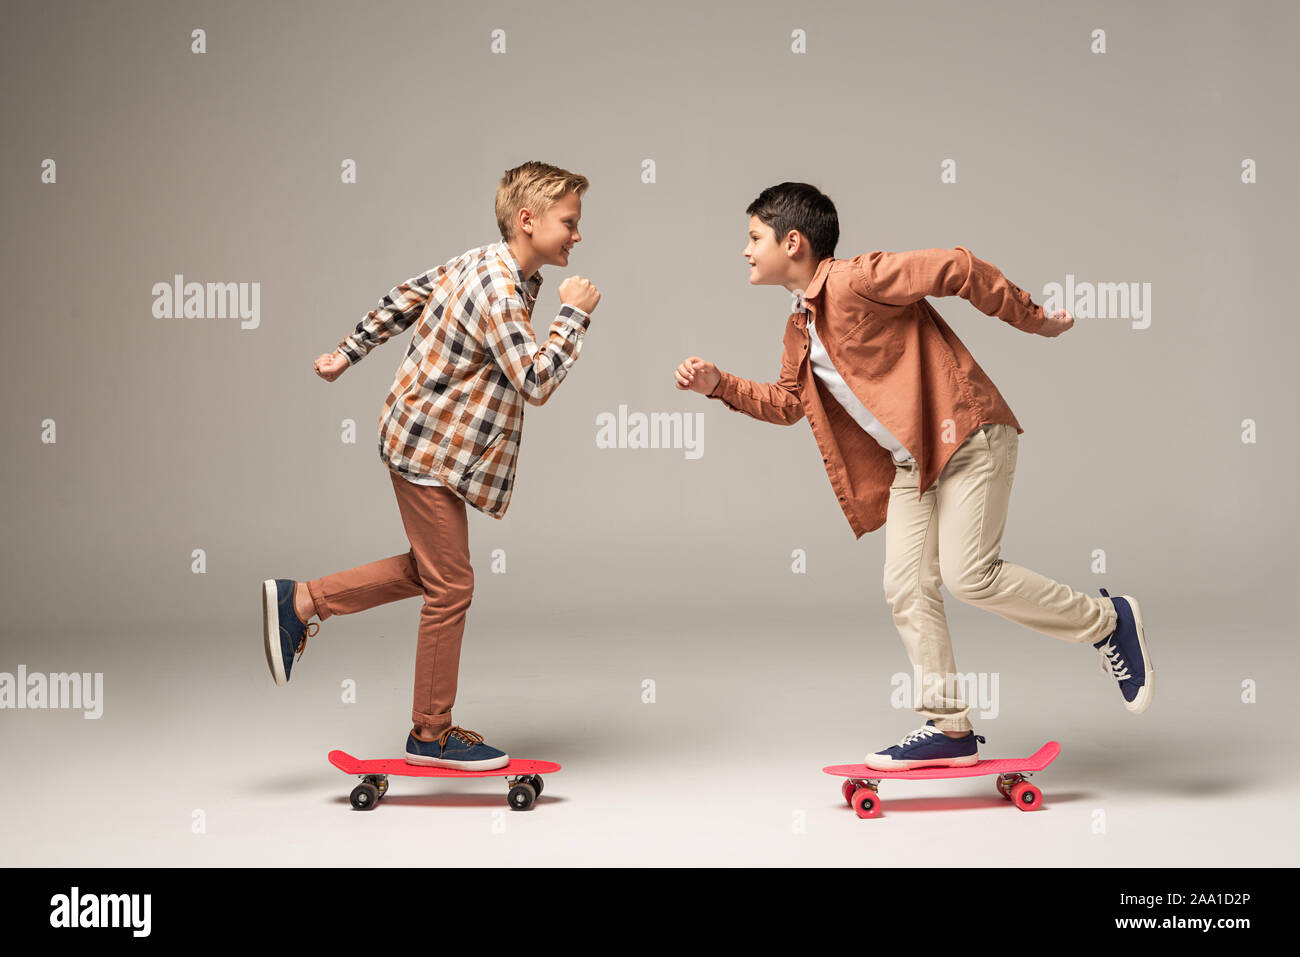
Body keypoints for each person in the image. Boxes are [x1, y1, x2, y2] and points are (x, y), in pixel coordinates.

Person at [674, 182, 1151, 771]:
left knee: (970, 575)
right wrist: (717, 384)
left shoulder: (857, 279)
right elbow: (787, 403)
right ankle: (949, 726)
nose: (745, 251)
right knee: (906, 588)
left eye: (753, 238)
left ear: (792, 242)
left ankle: (1108, 621)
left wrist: (1036, 322)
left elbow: (958, 266)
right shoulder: (800, 329)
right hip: (911, 468)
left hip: (968, 437)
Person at [261, 161, 600, 769]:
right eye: (569, 222)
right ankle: (430, 735)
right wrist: (573, 316)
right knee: (452, 586)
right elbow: (535, 380)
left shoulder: (483, 261)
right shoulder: (500, 288)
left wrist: (347, 351)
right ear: (528, 220)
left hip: (425, 439)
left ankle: (303, 601)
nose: (578, 235)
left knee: (433, 571)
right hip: (429, 448)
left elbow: (405, 298)